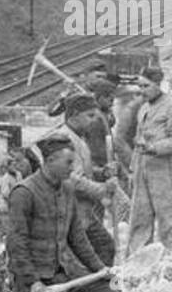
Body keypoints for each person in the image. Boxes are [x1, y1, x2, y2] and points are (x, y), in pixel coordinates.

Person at [4, 135, 122, 292]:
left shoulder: (67, 189)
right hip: (35, 279)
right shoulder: (24, 193)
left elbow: (77, 238)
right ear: (50, 161)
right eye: (68, 163)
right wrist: (33, 282)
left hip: (64, 271)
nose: (72, 168)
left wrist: (100, 268)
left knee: (112, 288)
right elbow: (17, 245)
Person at [49, 92, 120, 265]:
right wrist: (101, 189)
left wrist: (101, 172)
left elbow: (82, 170)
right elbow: (69, 178)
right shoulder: (62, 140)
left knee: (105, 248)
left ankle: (106, 288)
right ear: (74, 115)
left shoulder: (78, 137)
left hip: (83, 212)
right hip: (69, 213)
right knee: (100, 250)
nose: (93, 121)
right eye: (89, 116)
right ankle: (102, 288)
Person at [127, 65, 172, 254]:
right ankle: (139, 256)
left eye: (146, 86)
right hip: (142, 168)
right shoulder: (144, 108)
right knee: (140, 215)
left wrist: (155, 148)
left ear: (157, 84)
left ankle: (169, 254)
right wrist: (132, 168)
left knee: (165, 217)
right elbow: (139, 137)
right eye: (140, 86)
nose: (142, 91)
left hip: (162, 169)